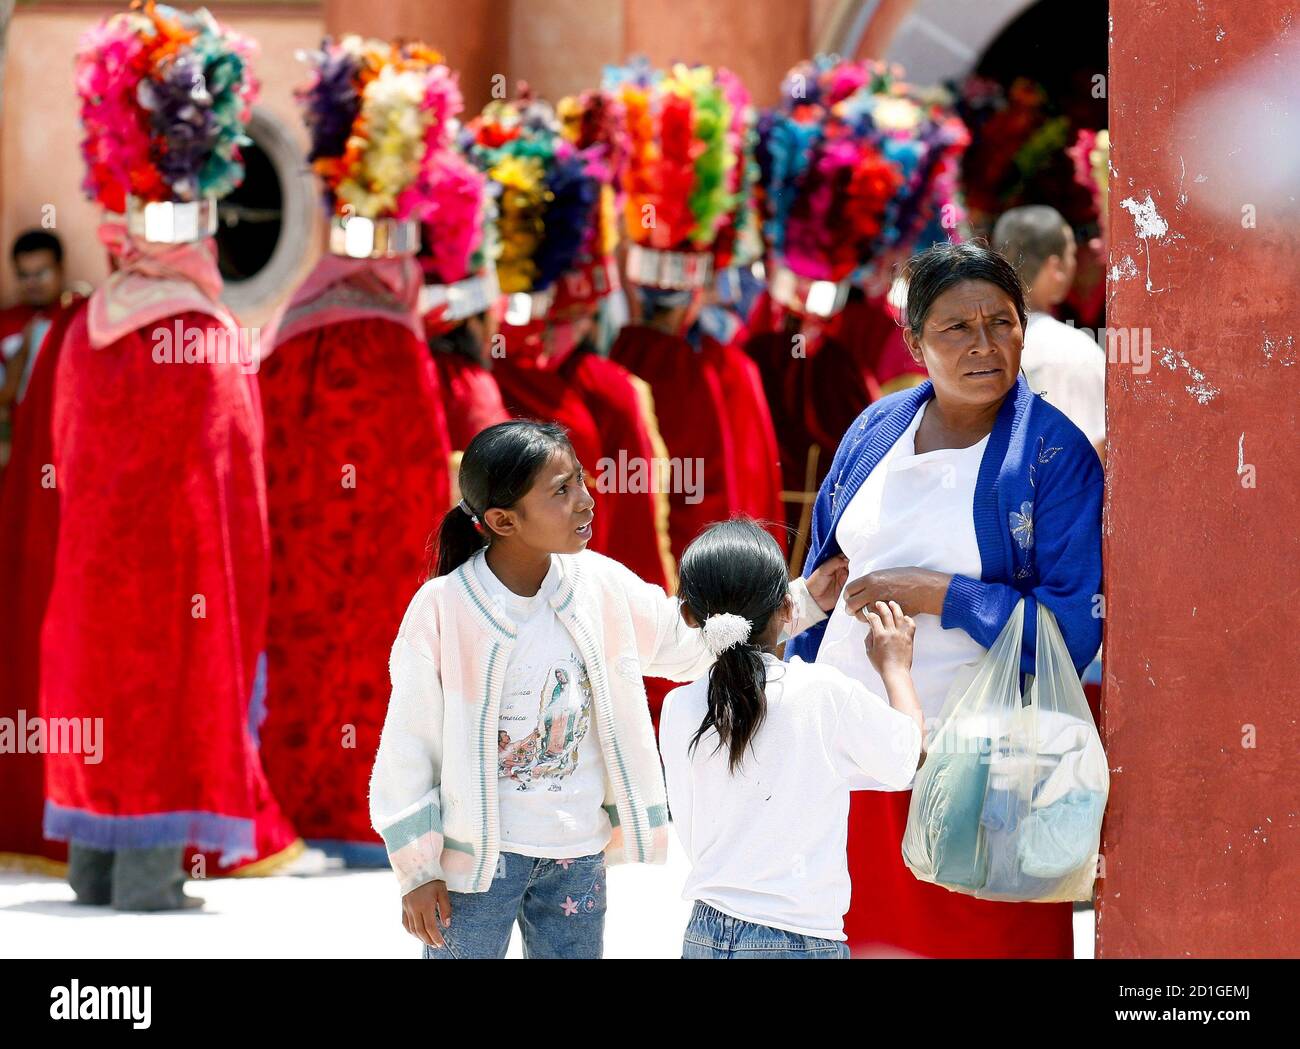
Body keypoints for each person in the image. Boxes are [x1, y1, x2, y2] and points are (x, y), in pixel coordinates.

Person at [368, 421, 844, 958]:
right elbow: (409, 745)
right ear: (503, 520)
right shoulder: (444, 608)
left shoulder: (598, 585)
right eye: (561, 491)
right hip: (474, 866)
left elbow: (685, 646)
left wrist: (801, 602)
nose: (585, 501)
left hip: (577, 853)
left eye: (581, 481)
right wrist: (417, 871)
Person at [40, 3, 301, 909]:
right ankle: (151, 877)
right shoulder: (206, 334)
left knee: (103, 702)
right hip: (181, 580)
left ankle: (93, 867)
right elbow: (232, 483)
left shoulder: (85, 328)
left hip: (93, 577)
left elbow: (64, 456)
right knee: (167, 708)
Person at [786, 241, 1103, 958]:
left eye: (1002, 322)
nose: (985, 344)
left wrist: (938, 594)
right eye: (957, 327)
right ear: (914, 339)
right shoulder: (875, 430)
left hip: (983, 774)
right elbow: (823, 572)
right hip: (854, 761)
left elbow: (1072, 627)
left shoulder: (1053, 457)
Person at [255, 37, 455, 866]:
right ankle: (377, 810)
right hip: (391, 572)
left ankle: (300, 798)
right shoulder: (395, 341)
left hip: (304, 566)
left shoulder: (297, 324)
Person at [661, 519, 923, 959]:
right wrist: (895, 666)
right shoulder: (821, 693)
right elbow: (906, 758)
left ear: (689, 616)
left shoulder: (678, 707)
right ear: (787, 607)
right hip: (796, 938)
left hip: (704, 932)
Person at [993, 205, 1106, 464]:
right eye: (1071, 254)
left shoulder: (975, 346)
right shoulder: (1076, 350)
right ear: (1055, 266)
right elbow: (1093, 455)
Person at [1, 231, 69, 466]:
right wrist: (24, 350)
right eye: (23, 275)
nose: (32, 284)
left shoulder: (77, 319)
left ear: (60, 269)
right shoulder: (6, 323)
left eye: (41, 273)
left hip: (66, 440)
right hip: (20, 447)